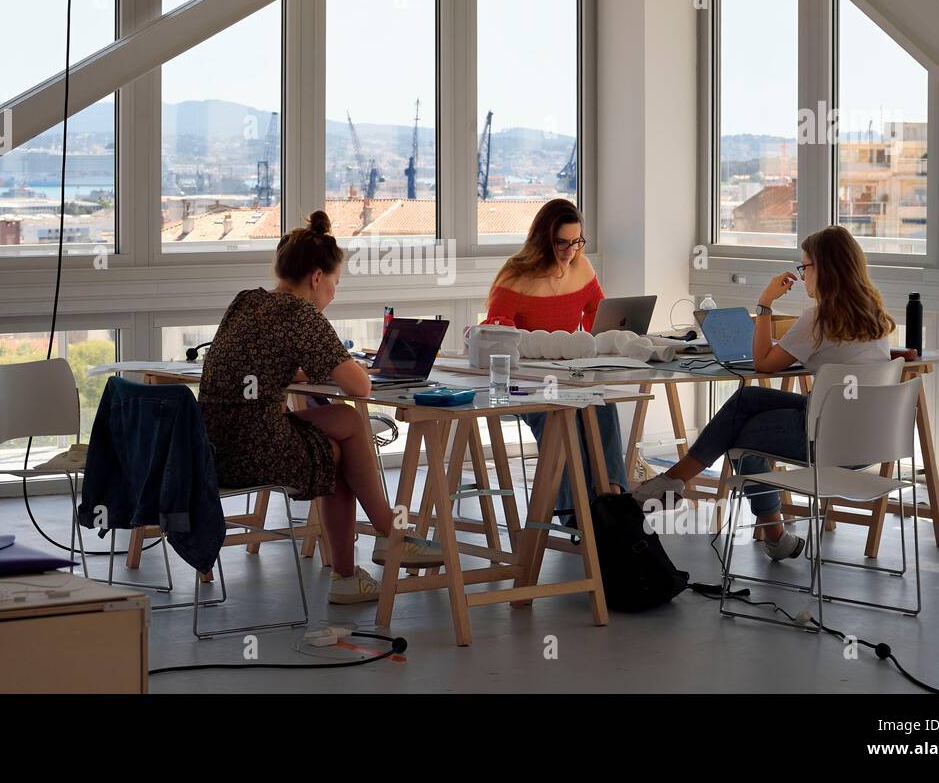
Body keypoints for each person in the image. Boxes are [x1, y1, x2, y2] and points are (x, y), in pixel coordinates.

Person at [200, 211, 443, 605]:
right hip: (253, 451)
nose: (333, 292)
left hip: (210, 447)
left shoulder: (246, 301)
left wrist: (300, 368)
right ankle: (386, 539)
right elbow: (360, 385)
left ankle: (360, 566)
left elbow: (261, 360)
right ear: (316, 278)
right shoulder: (301, 314)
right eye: (334, 283)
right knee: (342, 432)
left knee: (339, 438)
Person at [633, 225, 903, 561]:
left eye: (806, 267)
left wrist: (764, 303)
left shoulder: (819, 318)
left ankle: (672, 485)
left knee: (736, 431)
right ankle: (767, 533)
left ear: (825, 270)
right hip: (868, 441)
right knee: (747, 400)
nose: (803, 276)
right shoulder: (875, 316)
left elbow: (762, 362)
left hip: (828, 442)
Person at [484, 198, 627, 516]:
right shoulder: (515, 276)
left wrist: (610, 342)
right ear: (544, 240)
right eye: (562, 243)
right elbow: (495, 334)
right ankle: (574, 511)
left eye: (577, 242)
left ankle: (611, 496)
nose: (570, 251)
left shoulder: (582, 267)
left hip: (568, 375)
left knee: (601, 403)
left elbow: (599, 318)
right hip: (524, 382)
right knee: (564, 416)